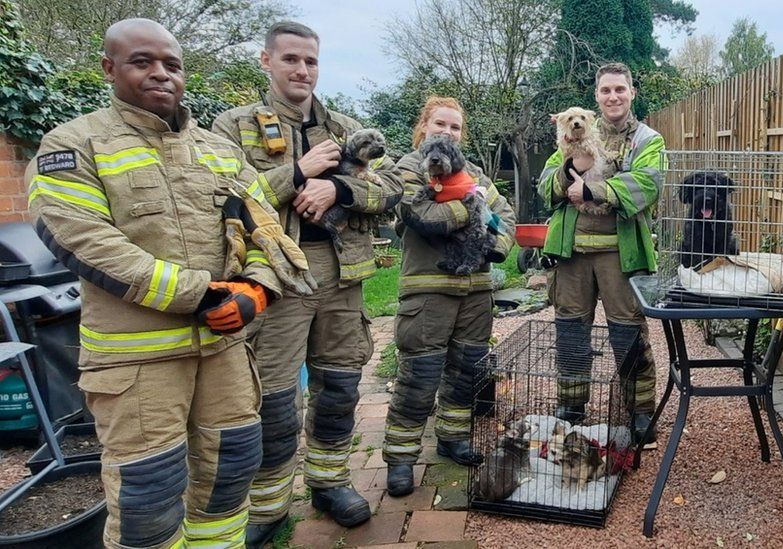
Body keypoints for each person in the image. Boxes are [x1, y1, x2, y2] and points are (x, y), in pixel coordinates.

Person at [25, 19, 310, 548]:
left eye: (172, 64)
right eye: (142, 61)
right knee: (148, 499)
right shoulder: (72, 146)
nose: (161, 74)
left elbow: (266, 231)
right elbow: (86, 241)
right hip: (138, 366)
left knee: (229, 477)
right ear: (109, 68)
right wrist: (200, 294)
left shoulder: (220, 152)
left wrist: (258, 290)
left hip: (225, 353)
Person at [212, 22, 403, 542]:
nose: (302, 70)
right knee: (273, 397)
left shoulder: (346, 127)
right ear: (266, 61)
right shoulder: (232, 126)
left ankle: (329, 481)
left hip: (342, 276)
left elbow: (391, 188)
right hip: (275, 280)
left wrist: (336, 189)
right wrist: (296, 173)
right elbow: (225, 198)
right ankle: (269, 504)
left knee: (340, 386)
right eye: (291, 59)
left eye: (311, 61)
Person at [382, 96, 516, 496]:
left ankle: (452, 438)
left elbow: (506, 217)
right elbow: (421, 217)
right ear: (423, 127)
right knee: (419, 377)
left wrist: (495, 246)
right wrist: (470, 211)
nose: (447, 132)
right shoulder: (408, 169)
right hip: (428, 293)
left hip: (475, 293)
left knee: (466, 373)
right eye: (440, 124)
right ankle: (401, 458)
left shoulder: (475, 173)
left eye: (455, 127)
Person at [536, 62, 665, 444]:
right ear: (596, 98)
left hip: (619, 254)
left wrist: (594, 190)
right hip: (572, 252)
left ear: (631, 93)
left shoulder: (647, 139)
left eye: (620, 90)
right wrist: (568, 171)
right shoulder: (569, 138)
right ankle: (572, 405)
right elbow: (544, 185)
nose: (613, 96)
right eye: (606, 90)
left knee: (627, 332)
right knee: (571, 331)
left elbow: (648, 183)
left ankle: (639, 412)